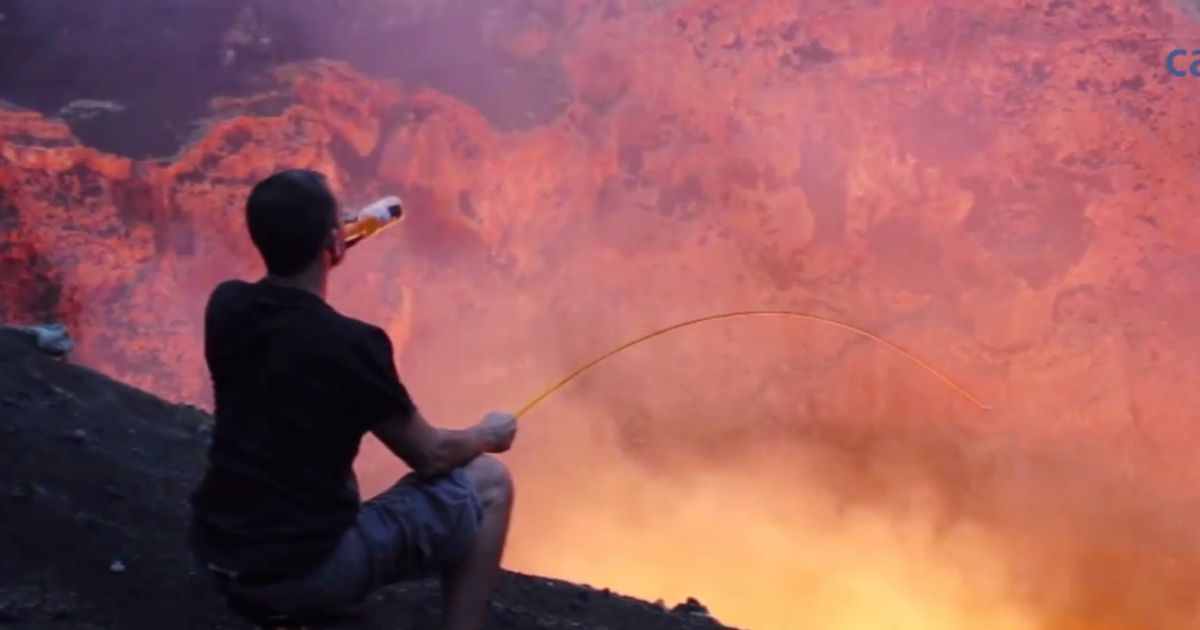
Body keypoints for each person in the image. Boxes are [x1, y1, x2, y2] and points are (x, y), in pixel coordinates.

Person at [189, 169, 517, 630]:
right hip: (306, 571)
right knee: (491, 483)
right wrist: (487, 434)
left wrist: (324, 247)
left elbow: (283, 312)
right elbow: (431, 455)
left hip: (221, 552)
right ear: (334, 242)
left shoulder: (226, 306)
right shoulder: (353, 345)